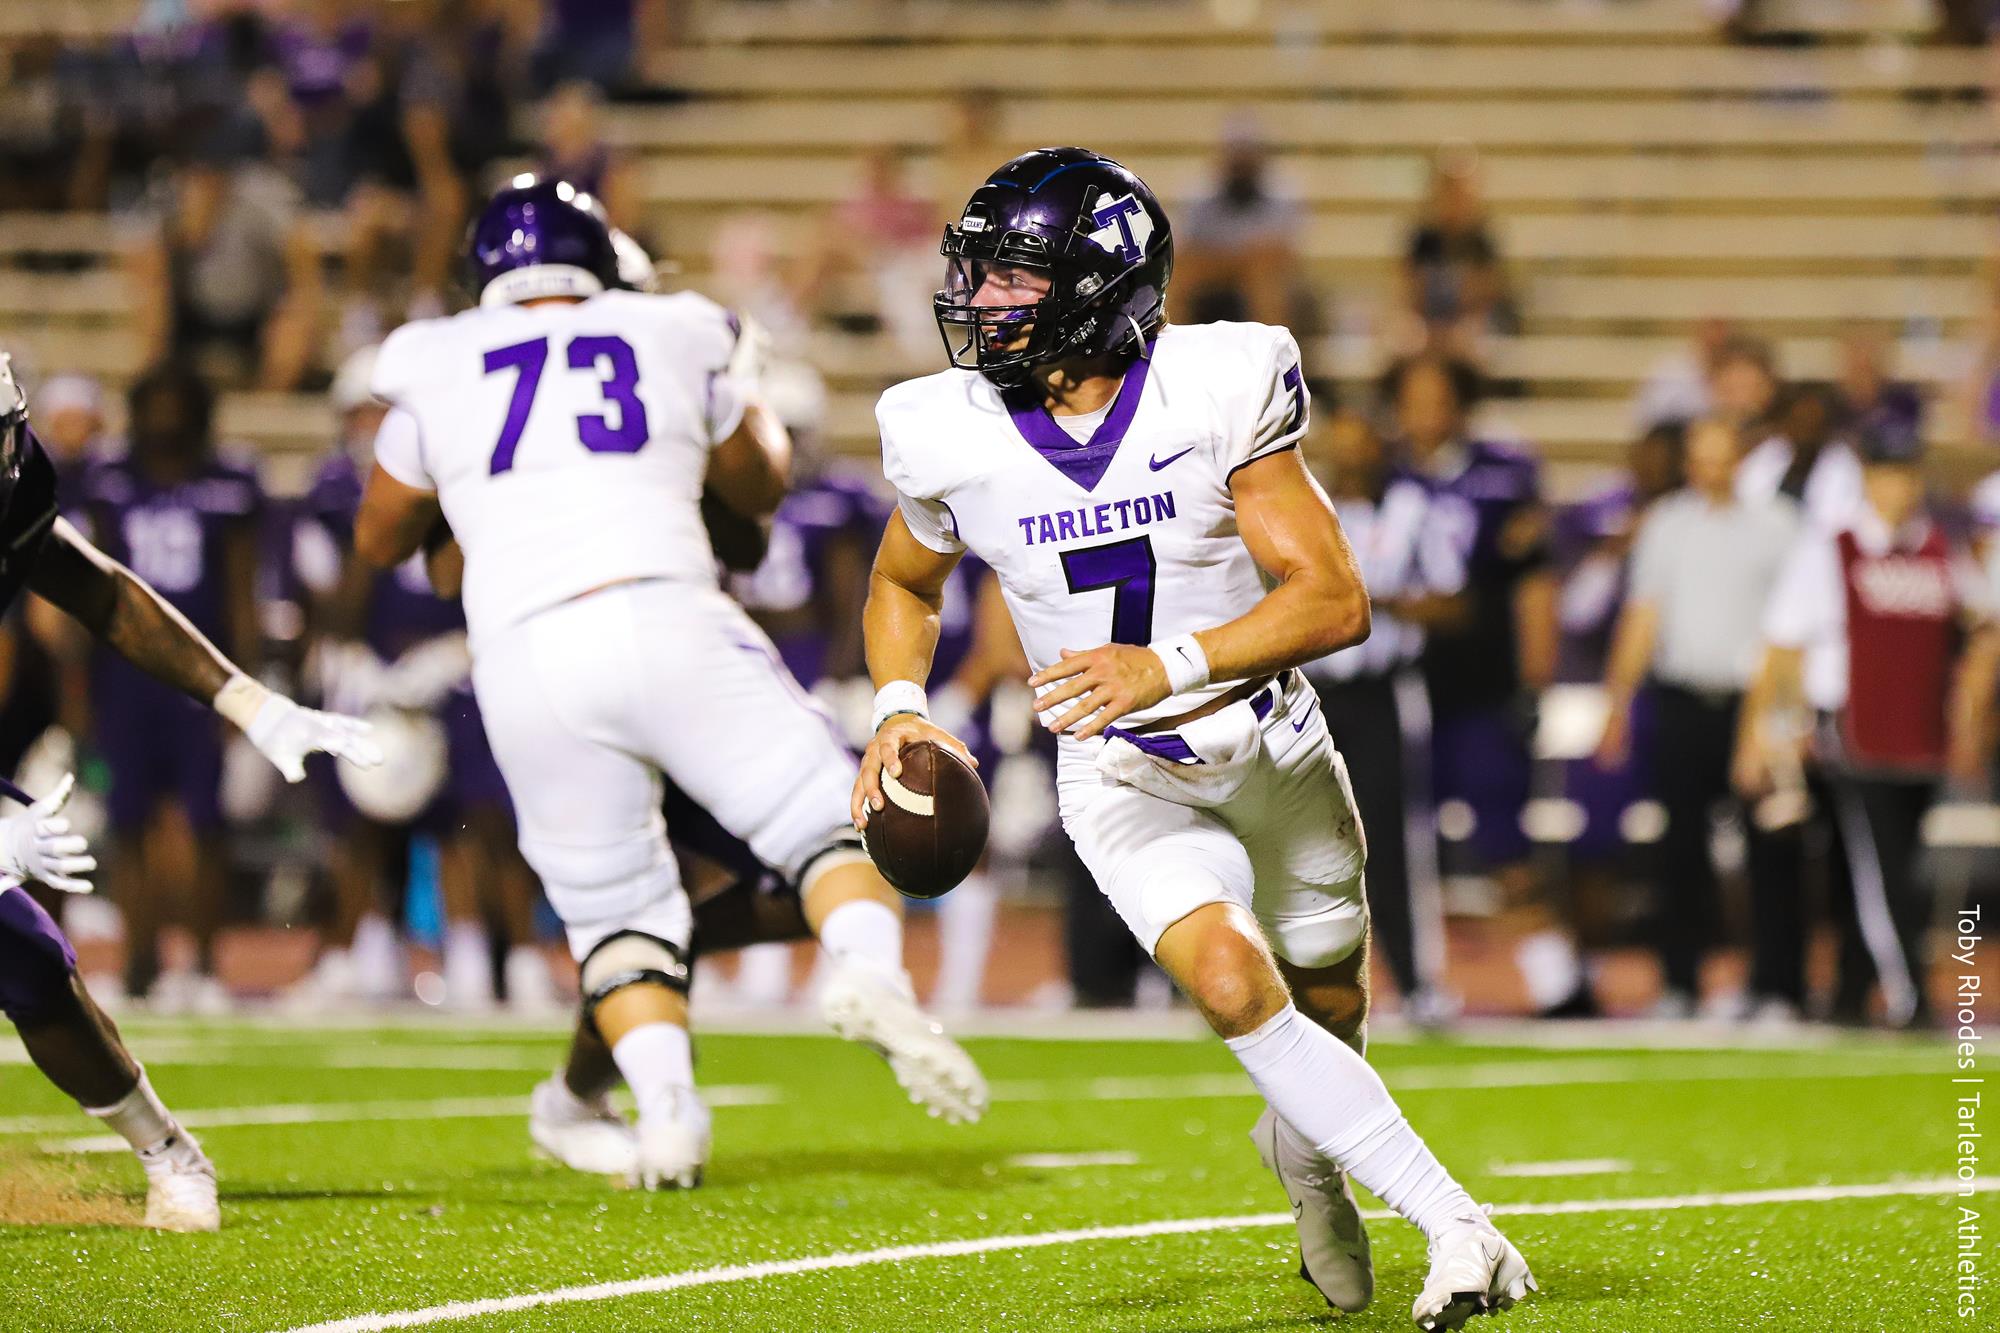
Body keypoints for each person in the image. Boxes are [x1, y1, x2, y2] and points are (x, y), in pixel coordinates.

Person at [853, 147, 1531, 1329]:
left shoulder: (1215, 381)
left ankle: (1313, 1173)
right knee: (1229, 983)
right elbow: (903, 582)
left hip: (1272, 747)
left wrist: (1160, 664)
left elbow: (1332, 598)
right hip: (1121, 775)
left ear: (1099, 287)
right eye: (983, 276)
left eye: (1017, 280)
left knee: (1326, 1013)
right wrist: (896, 709)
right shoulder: (942, 427)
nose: (984, 304)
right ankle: (1458, 1225)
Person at [352, 177, 986, 1191]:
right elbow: (760, 479)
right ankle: (868, 972)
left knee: (615, 911)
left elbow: (383, 534)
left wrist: (477, 508)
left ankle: (668, 1119)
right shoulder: (673, 327)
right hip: (662, 610)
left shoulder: (433, 354)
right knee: (831, 820)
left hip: (524, 651)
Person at [0, 351, 379, 1232]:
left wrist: (249, 699)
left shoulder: (18, 491)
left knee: (18, 947)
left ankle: (168, 1150)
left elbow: (97, 589)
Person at [291, 346, 557, 1011]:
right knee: (364, 818)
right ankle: (359, 953)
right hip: (373, 673)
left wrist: (456, 650)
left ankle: (501, 961)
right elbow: (328, 600)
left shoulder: (463, 478)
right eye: (359, 414)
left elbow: (495, 576)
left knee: (484, 818)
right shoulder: (329, 494)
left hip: (463, 662)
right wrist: (358, 658)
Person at [1737, 429, 2000, 1028]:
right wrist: (1768, 729)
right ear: (1868, 478)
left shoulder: (1939, 549)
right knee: (1878, 868)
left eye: (1907, 473)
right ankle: (1911, 995)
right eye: (1886, 472)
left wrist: (1967, 719)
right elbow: (1782, 646)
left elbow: (1983, 628)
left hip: (1922, 737)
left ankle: (1862, 992)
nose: (1898, 487)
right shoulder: (1831, 547)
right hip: (1856, 732)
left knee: (1900, 866)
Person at [1385, 355, 1574, 1016]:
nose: (1426, 411)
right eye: (1414, 396)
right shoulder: (1382, 474)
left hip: (1483, 683)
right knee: (1393, 843)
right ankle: (1414, 981)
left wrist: (1536, 680)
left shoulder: (1502, 478)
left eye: (1437, 395)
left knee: (1506, 843)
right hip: (1396, 685)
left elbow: (1534, 584)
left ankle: (1555, 980)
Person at [1596, 419, 1802, 1020]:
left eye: (1722, 458)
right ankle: (1682, 984)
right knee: (1680, 849)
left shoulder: (1779, 527)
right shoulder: (1668, 524)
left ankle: (1777, 988)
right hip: (1682, 701)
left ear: (1742, 458)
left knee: (1771, 851)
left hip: (1754, 706)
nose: (1711, 470)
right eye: (1701, 459)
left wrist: (1776, 721)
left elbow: (1790, 632)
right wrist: (1617, 705)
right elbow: (1643, 616)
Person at [79, 364, 265, 1011]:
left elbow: (242, 594)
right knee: (128, 823)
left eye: (174, 404)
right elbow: (91, 589)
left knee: (205, 825)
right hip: (127, 677)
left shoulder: (229, 482)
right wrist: (82, 690)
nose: (164, 420)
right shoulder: (109, 480)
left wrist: (243, 687)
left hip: (198, 673)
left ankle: (206, 962)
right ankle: (138, 959)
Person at [1300, 407, 1469, 1025]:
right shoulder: (1300, 505)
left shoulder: (1417, 511)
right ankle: (1271, 983)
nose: (1349, 457)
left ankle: (1421, 984)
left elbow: (1454, 605)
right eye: (1339, 445)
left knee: (1393, 841)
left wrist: (1374, 604)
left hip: (1381, 691)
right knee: (1284, 833)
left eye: (1360, 444)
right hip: (1307, 690)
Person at [1736, 381, 1864, 533]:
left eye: (1813, 420)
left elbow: (1838, 521)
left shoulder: (1843, 464)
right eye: (1798, 420)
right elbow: (1746, 502)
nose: (1805, 428)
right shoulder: (1766, 455)